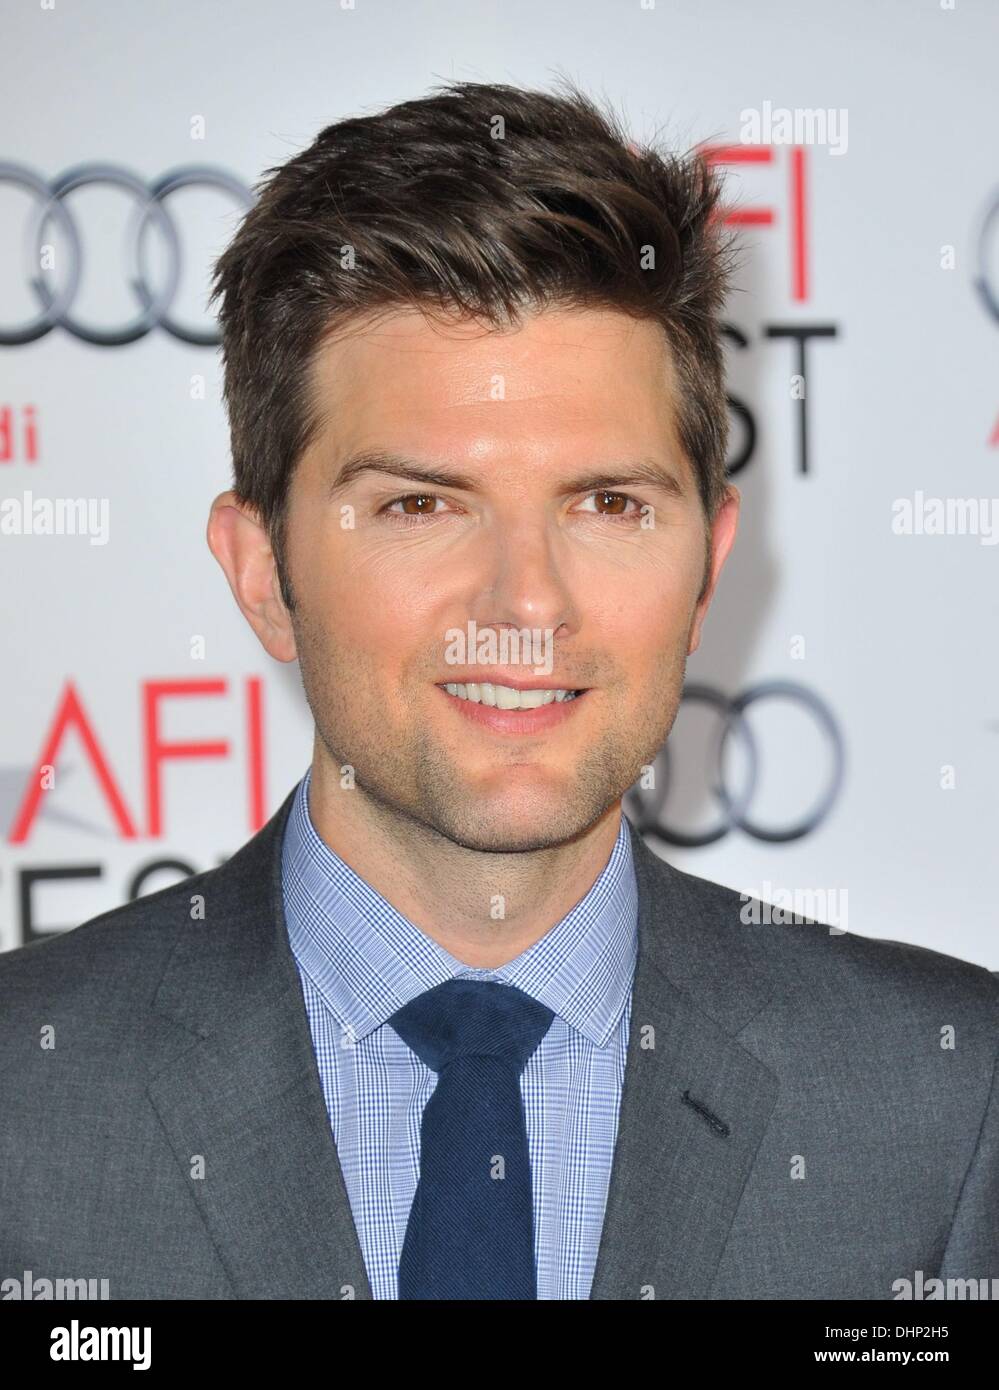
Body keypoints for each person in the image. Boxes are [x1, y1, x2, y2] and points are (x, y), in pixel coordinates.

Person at [1, 80, 996, 1302]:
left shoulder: (946, 1106)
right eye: (422, 505)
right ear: (264, 574)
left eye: (609, 504)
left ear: (706, 569)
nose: (527, 603)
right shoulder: (24, 1104)